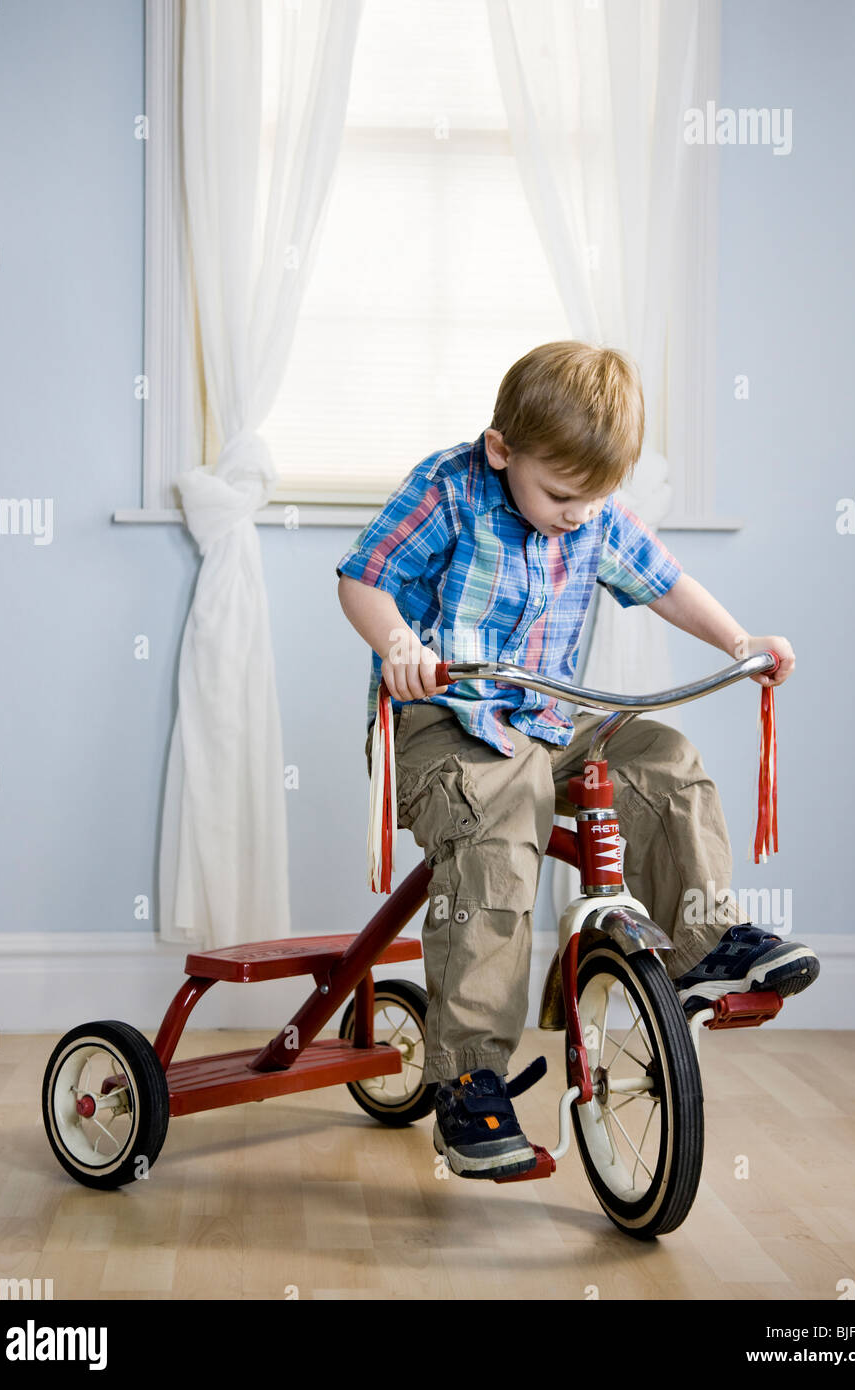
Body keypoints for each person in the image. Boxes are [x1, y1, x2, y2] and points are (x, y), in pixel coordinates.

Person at [335, 341, 819, 1180]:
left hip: (548, 719)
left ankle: (701, 944)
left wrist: (740, 641)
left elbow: (664, 581)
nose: (574, 514)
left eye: (592, 498)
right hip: (446, 725)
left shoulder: (591, 511)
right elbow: (362, 579)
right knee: (502, 823)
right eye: (559, 495)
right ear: (502, 451)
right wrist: (398, 644)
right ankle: (468, 1082)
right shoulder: (449, 488)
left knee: (661, 755)